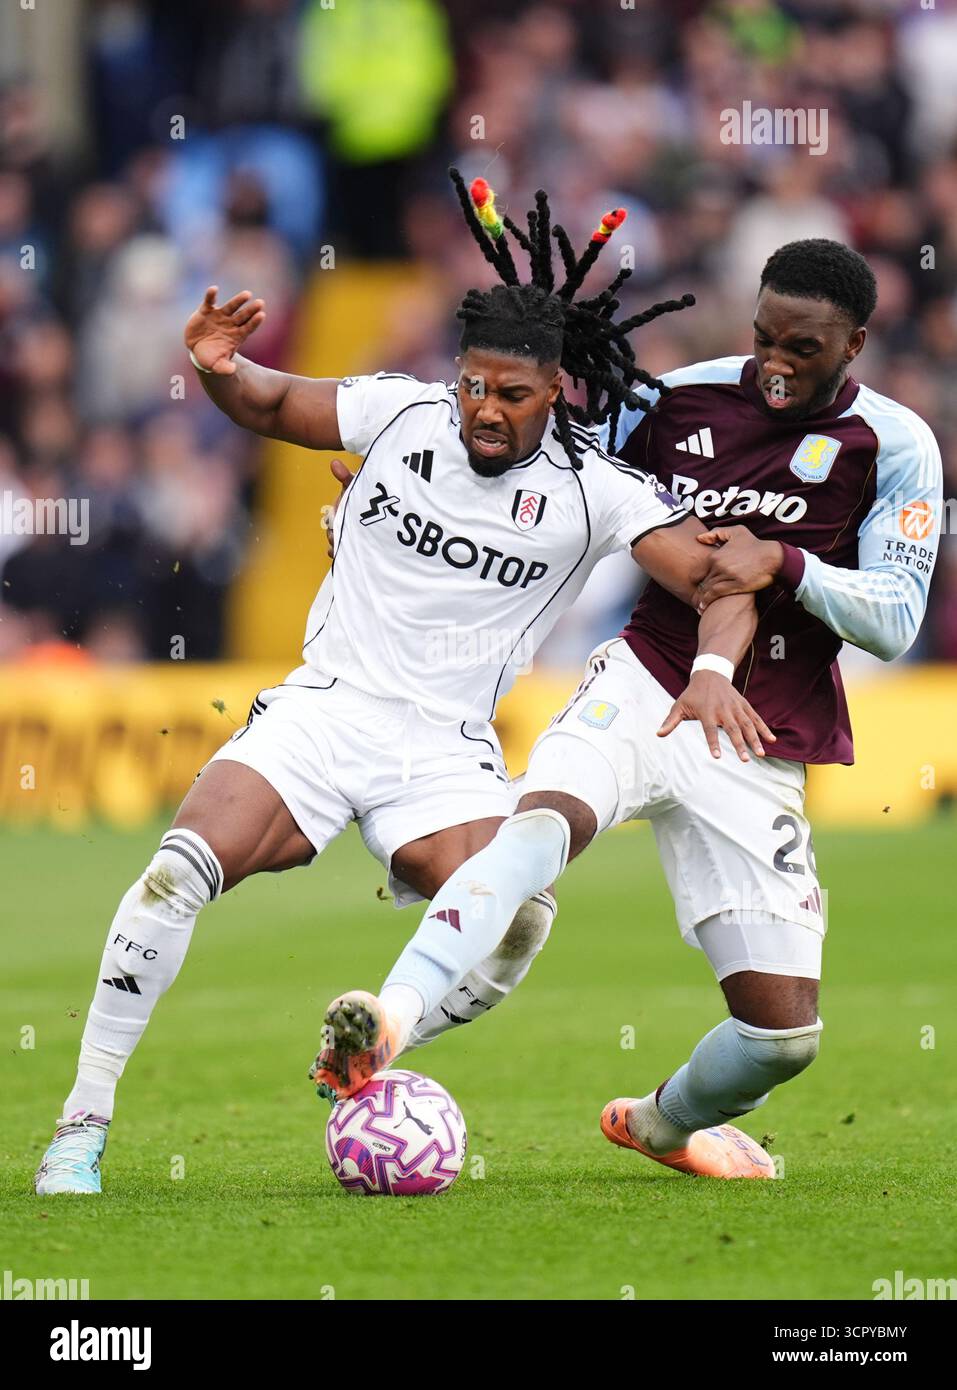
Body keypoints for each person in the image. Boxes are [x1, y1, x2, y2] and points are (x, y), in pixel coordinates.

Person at [34, 174, 770, 1194]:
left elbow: (720, 580)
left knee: (521, 916)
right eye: (475, 384)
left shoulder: (597, 490)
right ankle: (82, 1125)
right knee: (174, 871)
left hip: (446, 751)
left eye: (512, 395)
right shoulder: (401, 412)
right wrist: (214, 365)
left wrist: (715, 668)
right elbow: (269, 399)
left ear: (557, 389)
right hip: (325, 712)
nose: (485, 410)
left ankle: (375, 1040)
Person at [323, 237, 943, 1181]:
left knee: (782, 1039)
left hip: (755, 733)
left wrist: (789, 562)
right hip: (645, 678)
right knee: (539, 831)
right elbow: (540, 472)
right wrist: (419, 484)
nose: (774, 364)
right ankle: (390, 1020)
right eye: (764, 337)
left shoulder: (895, 445)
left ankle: (661, 1125)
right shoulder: (676, 399)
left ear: (854, 343)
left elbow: (896, 619)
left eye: (803, 350)